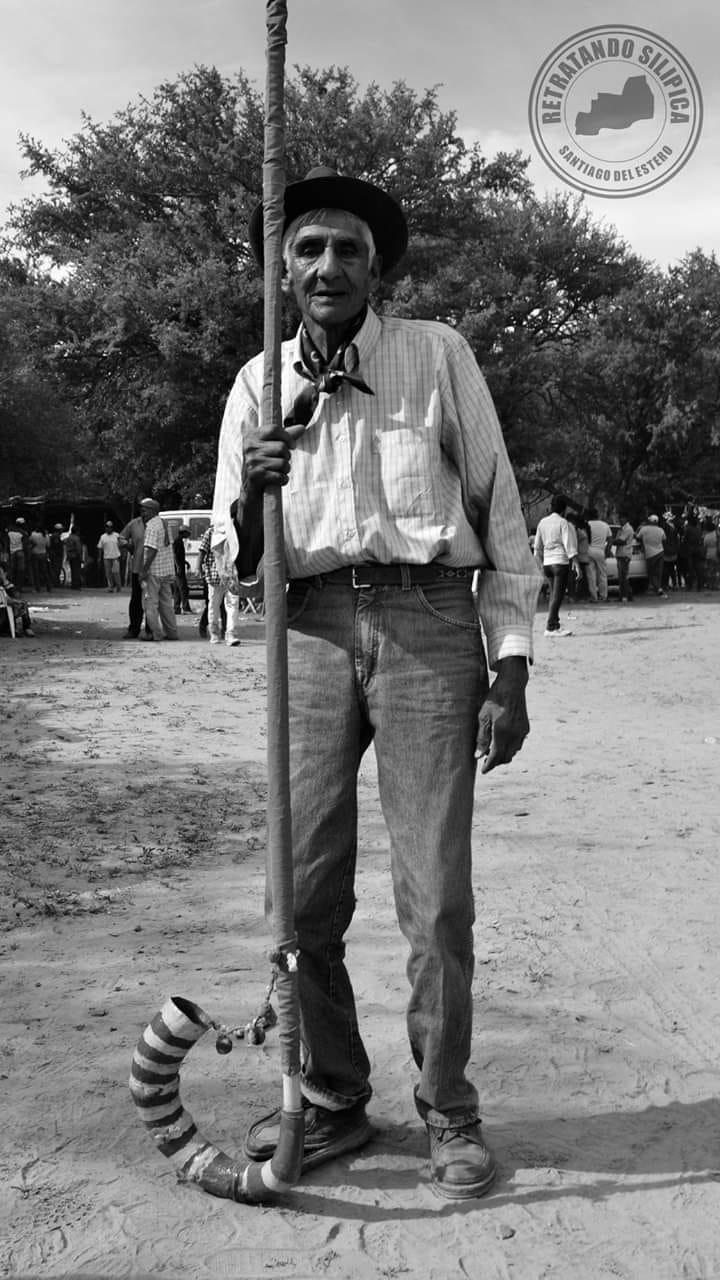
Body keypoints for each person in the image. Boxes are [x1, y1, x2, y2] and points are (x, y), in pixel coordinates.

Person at [212, 166, 540, 1200]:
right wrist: (252, 495)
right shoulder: (255, 383)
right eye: (307, 249)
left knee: (435, 896)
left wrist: (511, 665)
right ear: (282, 271)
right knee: (299, 894)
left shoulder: (435, 354)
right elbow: (234, 562)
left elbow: (497, 506)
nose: (328, 266)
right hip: (307, 631)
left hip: (429, 622)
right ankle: (335, 1093)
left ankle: (449, 1107)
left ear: (377, 269)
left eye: (348, 249)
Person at [533, 495, 578, 635]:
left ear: (551, 507)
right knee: (557, 596)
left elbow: (537, 547)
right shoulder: (563, 522)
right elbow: (568, 544)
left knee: (553, 594)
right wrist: (576, 563)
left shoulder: (542, 522)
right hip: (560, 562)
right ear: (564, 510)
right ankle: (551, 626)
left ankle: (555, 624)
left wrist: (539, 563)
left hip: (547, 563)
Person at [138, 500, 178, 641]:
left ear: (152, 511)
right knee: (166, 604)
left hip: (154, 572)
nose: (142, 514)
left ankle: (156, 634)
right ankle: (172, 633)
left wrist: (143, 571)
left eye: (144, 511)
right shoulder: (164, 524)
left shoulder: (151, 526)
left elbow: (151, 550)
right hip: (166, 570)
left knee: (150, 604)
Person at [197, 523, 241, 646]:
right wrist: (198, 568)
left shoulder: (234, 531)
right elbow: (202, 550)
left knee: (232, 605)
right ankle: (214, 633)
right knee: (214, 606)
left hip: (231, 575)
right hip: (215, 575)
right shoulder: (211, 532)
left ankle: (230, 633)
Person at [118, 507, 150, 638]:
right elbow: (121, 538)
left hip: (154, 569)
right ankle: (134, 629)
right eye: (142, 510)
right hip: (137, 567)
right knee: (136, 599)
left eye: (147, 510)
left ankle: (150, 629)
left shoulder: (159, 524)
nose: (144, 513)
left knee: (151, 600)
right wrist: (128, 545)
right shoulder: (134, 524)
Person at [0, 564, 35, 636]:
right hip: (3, 610)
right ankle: (26, 628)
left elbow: (13, 596)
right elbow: (8, 600)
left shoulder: (7, 584)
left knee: (18, 603)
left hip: (6, 606)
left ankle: (25, 628)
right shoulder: (3, 586)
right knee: (21, 605)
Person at [586, 507, 612, 602]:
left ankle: (594, 597)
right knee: (602, 575)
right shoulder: (605, 525)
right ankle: (603, 596)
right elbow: (610, 540)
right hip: (601, 551)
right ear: (598, 515)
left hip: (589, 550)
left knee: (591, 575)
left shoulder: (587, 524)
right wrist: (607, 551)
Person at [636, 514, 666, 596]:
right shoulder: (661, 530)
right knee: (659, 572)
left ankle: (657, 588)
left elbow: (638, 537)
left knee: (651, 573)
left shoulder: (644, 529)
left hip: (650, 554)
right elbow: (664, 539)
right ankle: (658, 587)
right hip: (660, 552)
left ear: (650, 521)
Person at [613, 512, 636, 603]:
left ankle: (625, 596)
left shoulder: (628, 529)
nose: (620, 520)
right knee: (622, 577)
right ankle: (626, 595)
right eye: (620, 518)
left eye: (622, 518)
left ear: (626, 519)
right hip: (620, 554)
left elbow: (621, 541)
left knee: (624, 576)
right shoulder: (622, 529)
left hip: (624, 555)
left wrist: (611, 541)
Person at [172, 526, 193, 615]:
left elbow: (179, 555)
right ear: (183, 532)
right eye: (188, 533)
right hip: (178, 569)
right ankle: (186, 608)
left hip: (179, 567)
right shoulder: (177, 541)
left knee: (177, 589)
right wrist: (178, 567)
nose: (189, 535)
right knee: (183, 589)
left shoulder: (179, 541)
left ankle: (176, 608)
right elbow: (175, 555)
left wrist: (185, 562)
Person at [97, 522, 122, 592]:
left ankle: (118, 586)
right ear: (105, 528)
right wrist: (99, 557)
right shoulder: (103, 537)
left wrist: (122, 554)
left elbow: (121, 545)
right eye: (107, 527)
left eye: (110, 527)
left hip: (115, 557)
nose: (108, 528)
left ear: (112, 528)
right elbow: (100, 547)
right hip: (106, 557)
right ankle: (110, 587)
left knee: (116, 572)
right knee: (108, 573)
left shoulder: (117, 535)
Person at [28, 524, 53, 593]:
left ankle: (37, 588)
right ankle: (49, 587)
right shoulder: (46, 536)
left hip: (35, 554)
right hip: (43, 554)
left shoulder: (33, 535)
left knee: (36, 572)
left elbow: (29, 541)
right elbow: (48, 545)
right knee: (44, 571)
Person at [7, 518, 28, 593]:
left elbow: (7, 543)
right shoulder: (23, 533)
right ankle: (19, 588)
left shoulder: (9, 532)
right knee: (20, 571)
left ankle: (11, 587)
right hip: (20, 552)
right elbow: (25, 545)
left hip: (12, 552)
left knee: (12, 570)